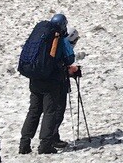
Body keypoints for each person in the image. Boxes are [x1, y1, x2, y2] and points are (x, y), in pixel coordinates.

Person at [18, 12, 79, 155]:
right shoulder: (59, 38)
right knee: (50, 112)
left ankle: (24, 143)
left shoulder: (41, 35)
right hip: (50, 81)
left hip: (35, 79)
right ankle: (45, 145)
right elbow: (69, 59)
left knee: (34, 111)